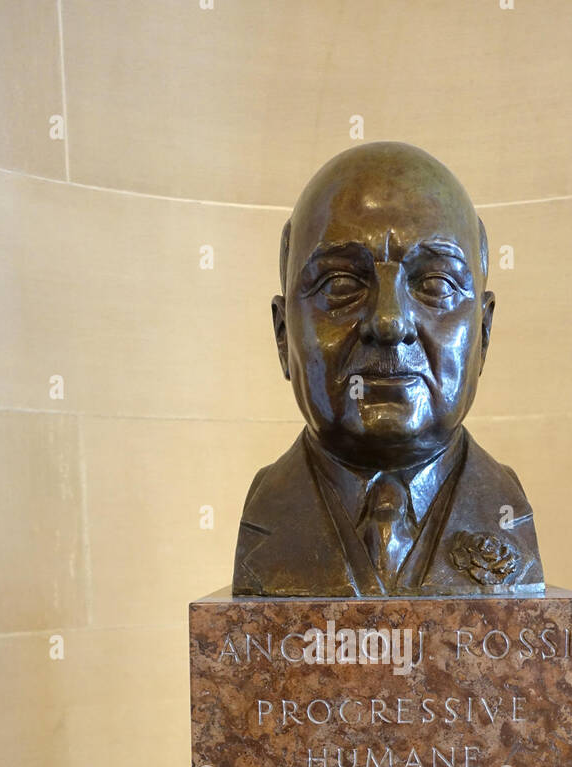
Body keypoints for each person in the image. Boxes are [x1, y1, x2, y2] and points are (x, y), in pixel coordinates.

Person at [233, 141, 544, 597]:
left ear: (482, 332)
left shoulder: (504, 508)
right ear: (283, 334)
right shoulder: (269, 509)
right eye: (340, 284)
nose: (389, 321)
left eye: (435, 284)